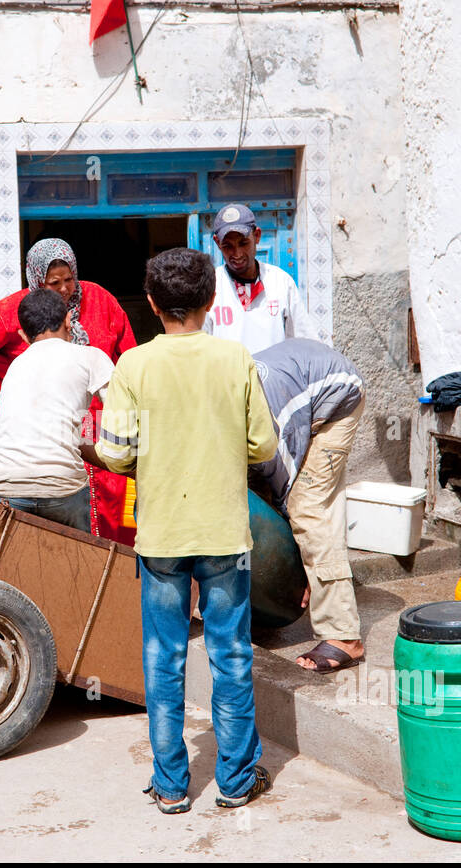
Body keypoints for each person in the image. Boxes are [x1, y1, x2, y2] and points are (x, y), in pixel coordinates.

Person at [95, 247, 277, 814]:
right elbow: (264, 446)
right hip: (225, 532)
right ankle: (235, 779)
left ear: (151, 303)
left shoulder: (132, 367)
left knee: (163, 656)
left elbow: (116, 453)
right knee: (230, 654)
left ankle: (171, 785)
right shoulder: (235, 360)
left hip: (162, 537)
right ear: (211, 300)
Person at [0, 238, 137, 543]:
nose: (65, 289)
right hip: (46, 426)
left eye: (69, 280)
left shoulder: (101, 300)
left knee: (113, 503)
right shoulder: (18, 310)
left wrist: (133, 452)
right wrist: (12, 393)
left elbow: (128, 373)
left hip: (95, 420)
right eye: (54, 283)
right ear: (37, 280)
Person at [250, 338, 366, 672]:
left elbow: (286, 488)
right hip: (301, 384)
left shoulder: (267, 424)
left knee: (307, 506)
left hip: (338, 395)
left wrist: (300, 563)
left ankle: (344, 635)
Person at [204, 203, 312, 353]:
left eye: (243, 243)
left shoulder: (280, 282)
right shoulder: (210, 286)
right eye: (228, 246)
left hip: (274, 376)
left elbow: (305, 342)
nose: (237, 253)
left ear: (257, 236)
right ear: (217, 243)